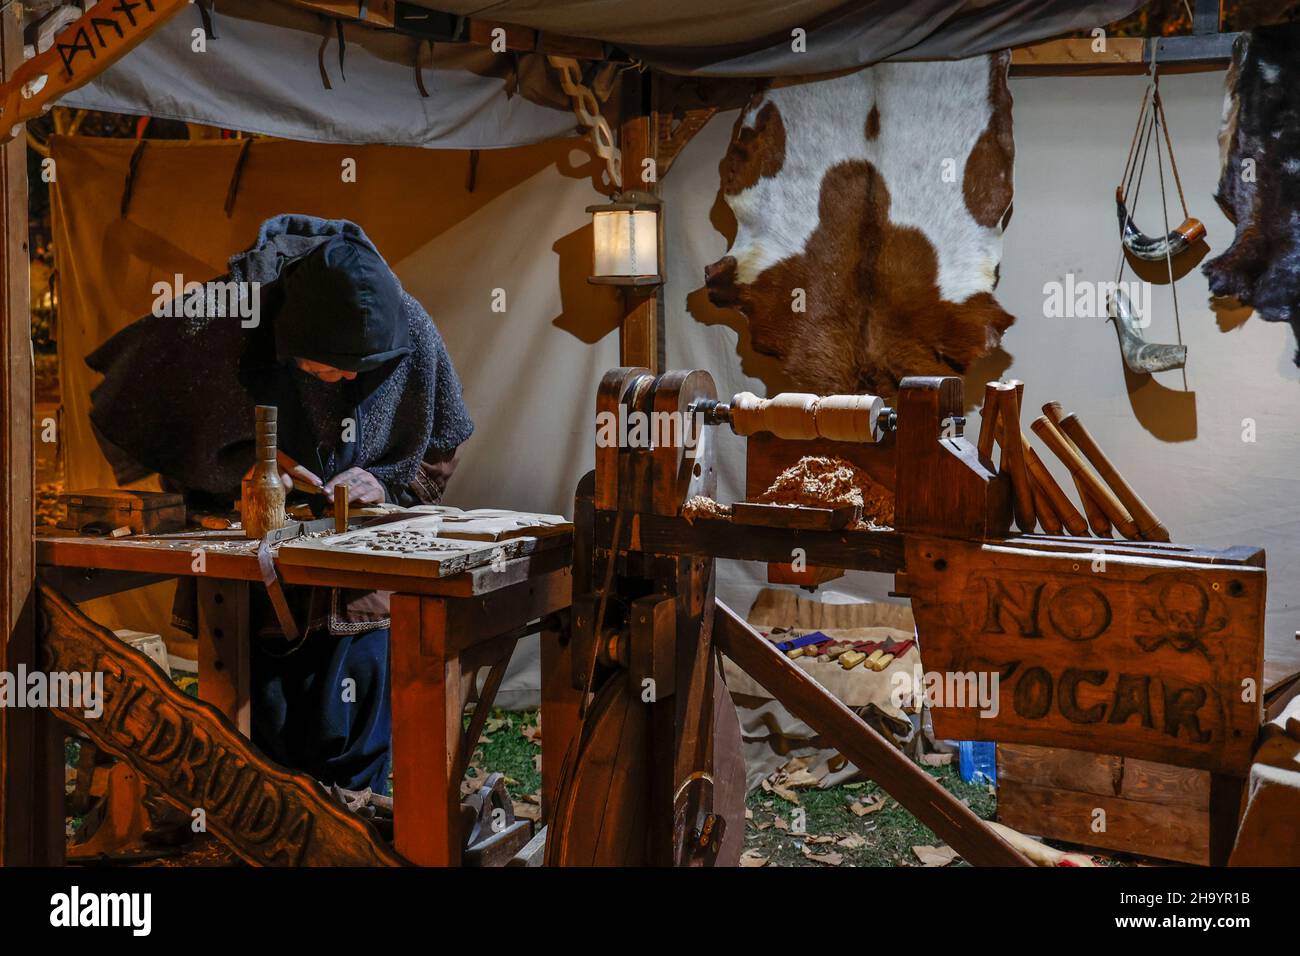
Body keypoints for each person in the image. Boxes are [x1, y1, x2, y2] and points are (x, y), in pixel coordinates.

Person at [85, 214, 474, 795]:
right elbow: (134, 402)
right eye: (329, 364)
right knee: (258, 730)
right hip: (253, 562)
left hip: (359, 573)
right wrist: (238, 465)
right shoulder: (230, 317)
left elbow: (440, 446)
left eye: (359, 369)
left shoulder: (410, 327)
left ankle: (354, 832)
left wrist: (384, 484)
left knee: (353, 724)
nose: (344, 377)